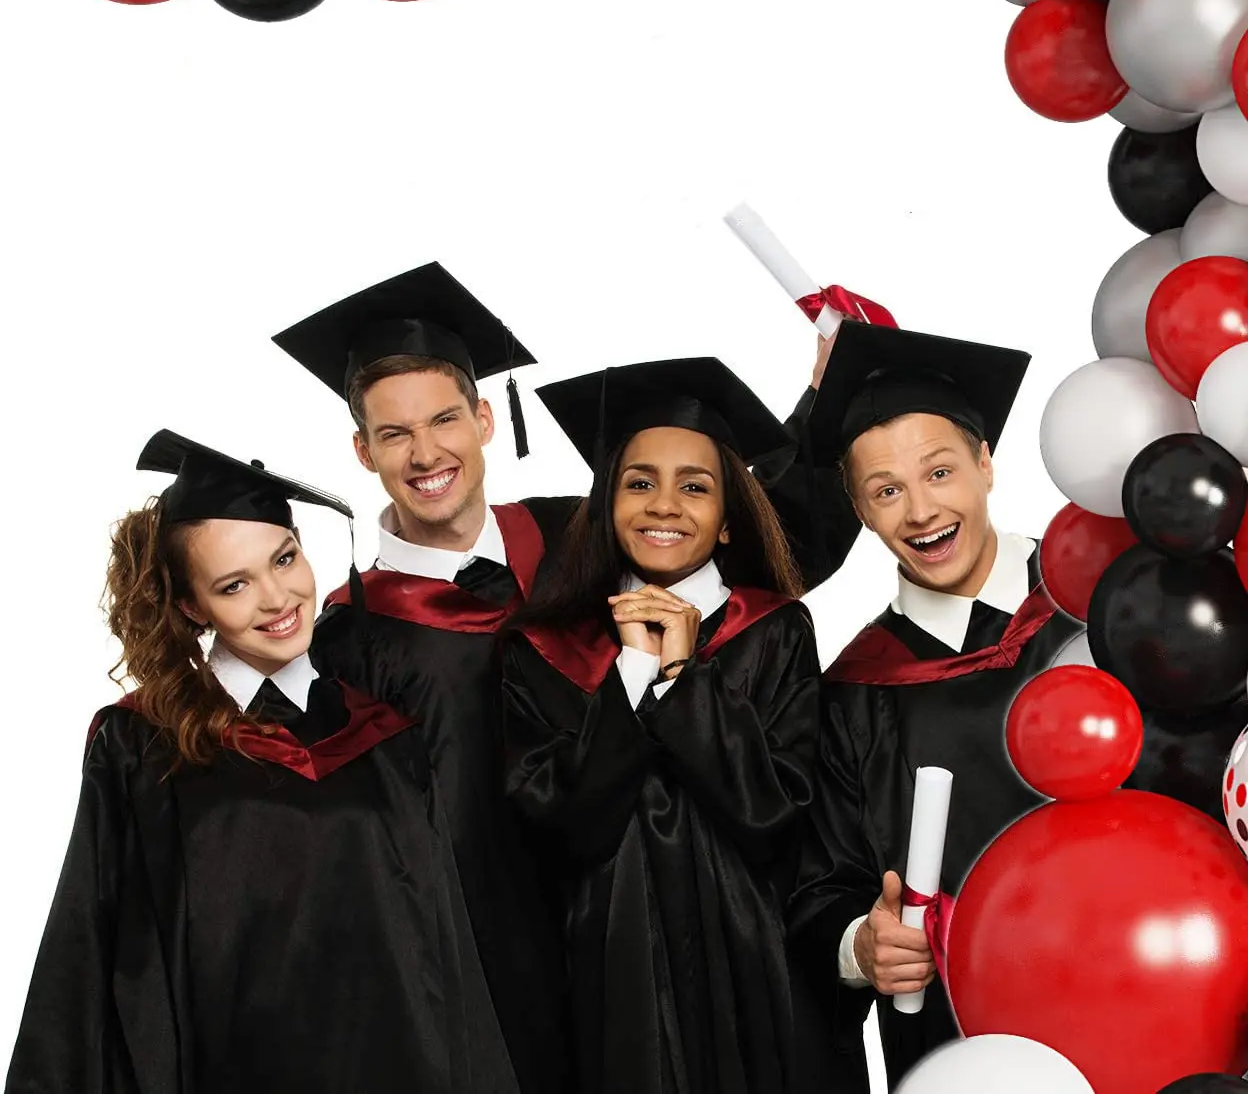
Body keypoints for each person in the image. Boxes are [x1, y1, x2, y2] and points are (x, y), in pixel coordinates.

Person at [5, 432, 514, 1094]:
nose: (277, 599)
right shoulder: (142, 746)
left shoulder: (387, 738)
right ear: (192, 605)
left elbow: (447, 955)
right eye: (235, 584)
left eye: (284, 558)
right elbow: (89, 948)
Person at [271, 261, 574, 1094]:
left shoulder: (573, 537)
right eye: (395, 433)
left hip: (625, 932)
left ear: (484, 419)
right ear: (363, 451)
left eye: (444, 419)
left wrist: (826, 399)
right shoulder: (347, 638)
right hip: (476, 978)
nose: (426, 452)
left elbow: (748, 551)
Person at [500, 358, 824, 1094]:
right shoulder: (544, 648)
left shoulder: (775, 631)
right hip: (606, 973)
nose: (665, 505)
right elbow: (557, 828)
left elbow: (779, 815)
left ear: (729, 518)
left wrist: (682, 679)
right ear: (606, 503)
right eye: (639, 483)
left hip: (753, 968)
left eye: (696, 487)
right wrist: (633, 671)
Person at [786, 323, 1083, 1092]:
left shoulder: (1097, 605)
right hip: (961, 1041)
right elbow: (820, 892)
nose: (920, 511)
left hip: (1144, 994)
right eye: (886, 491)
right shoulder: (854, 694)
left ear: (985, 463)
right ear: (858, 508)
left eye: (940, 471)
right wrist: (863, 945)